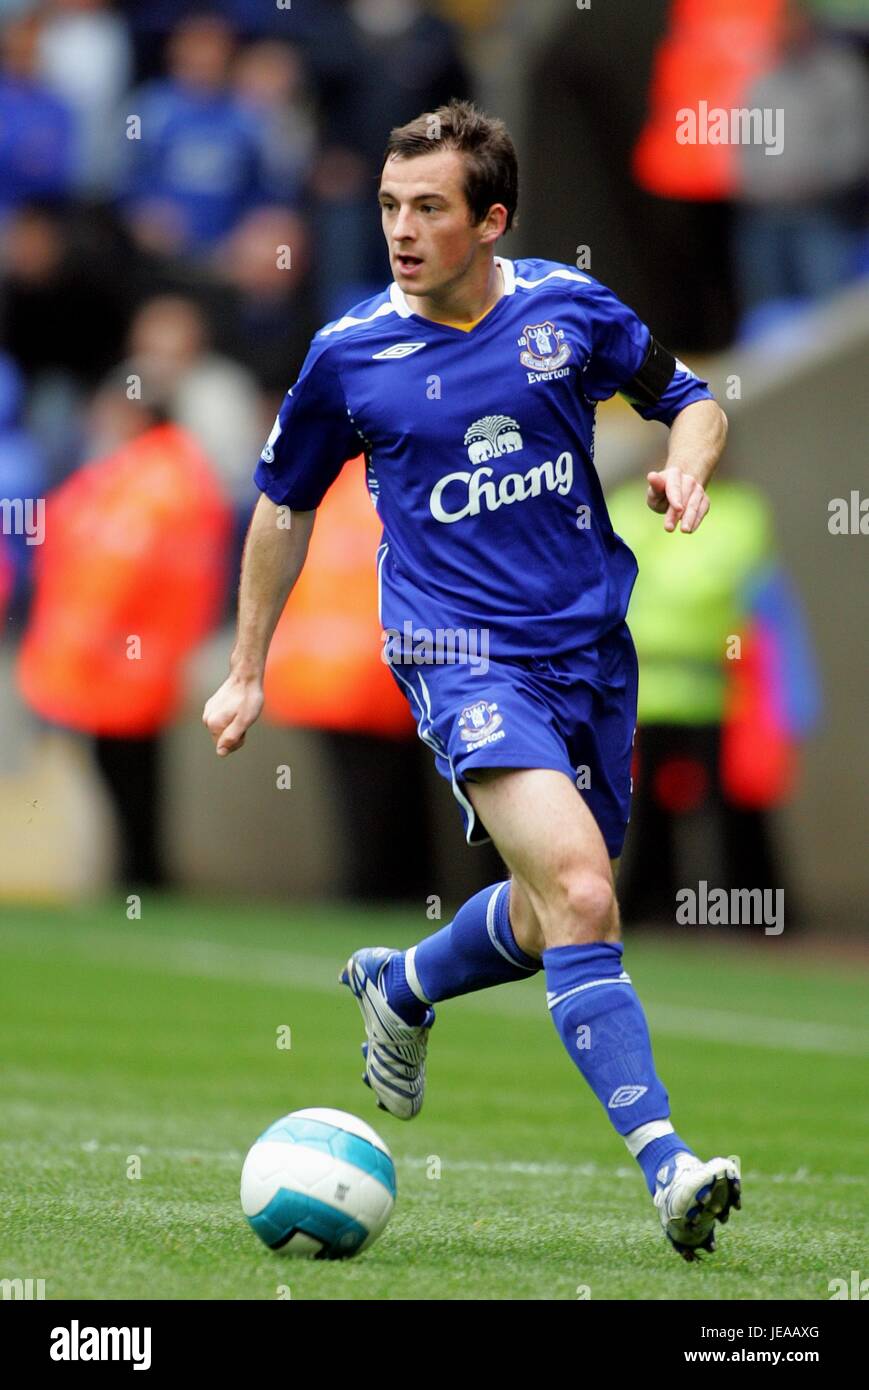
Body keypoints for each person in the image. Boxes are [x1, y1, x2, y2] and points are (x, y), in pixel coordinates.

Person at [203, 100, 738, 1262]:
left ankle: (401, 984)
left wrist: (685, 474)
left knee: (558, 918)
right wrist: (247, 669)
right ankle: (669, 1167)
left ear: (489, 220)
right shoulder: (349, 354)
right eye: (390, 205)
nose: (399, 228)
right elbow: (283, 503)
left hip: (589, 650)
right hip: (457, 652)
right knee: (587, 898)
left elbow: (687, 398)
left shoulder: (564, 312)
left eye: (427, 208)